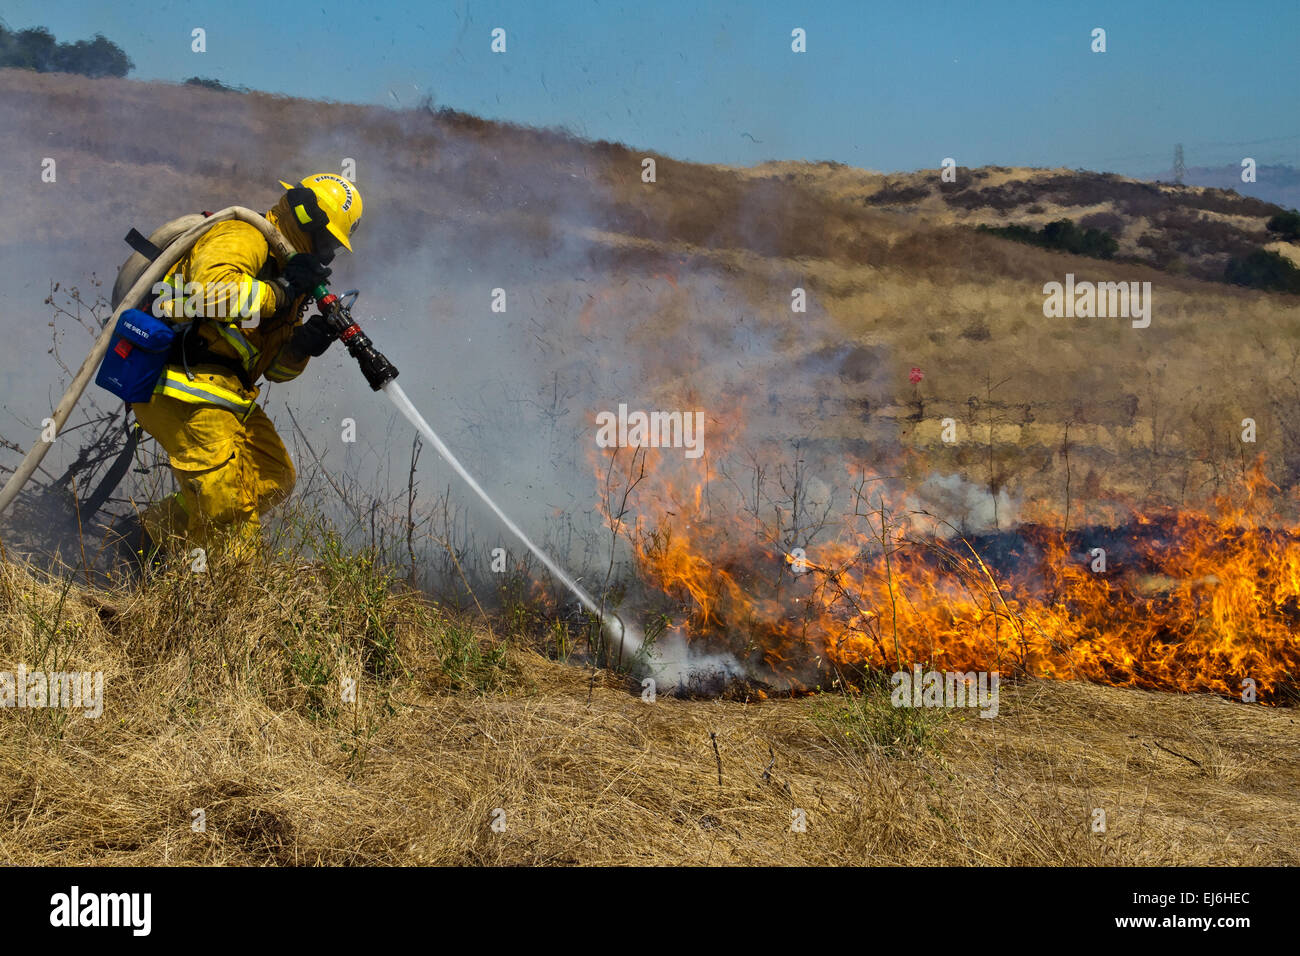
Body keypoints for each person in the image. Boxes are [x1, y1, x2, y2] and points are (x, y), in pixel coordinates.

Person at [121, 174, 363, 569]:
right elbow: (207, 293)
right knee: (228, 504)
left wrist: (302, 346)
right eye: (330, 242)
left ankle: (141, 541)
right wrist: (281, 291)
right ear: (309, 222)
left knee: (271, 474)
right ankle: (226, 611)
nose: (331, 255)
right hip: (181, 381)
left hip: (225, 393)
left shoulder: (290, 272)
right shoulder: (244, 235)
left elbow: (274, 373)